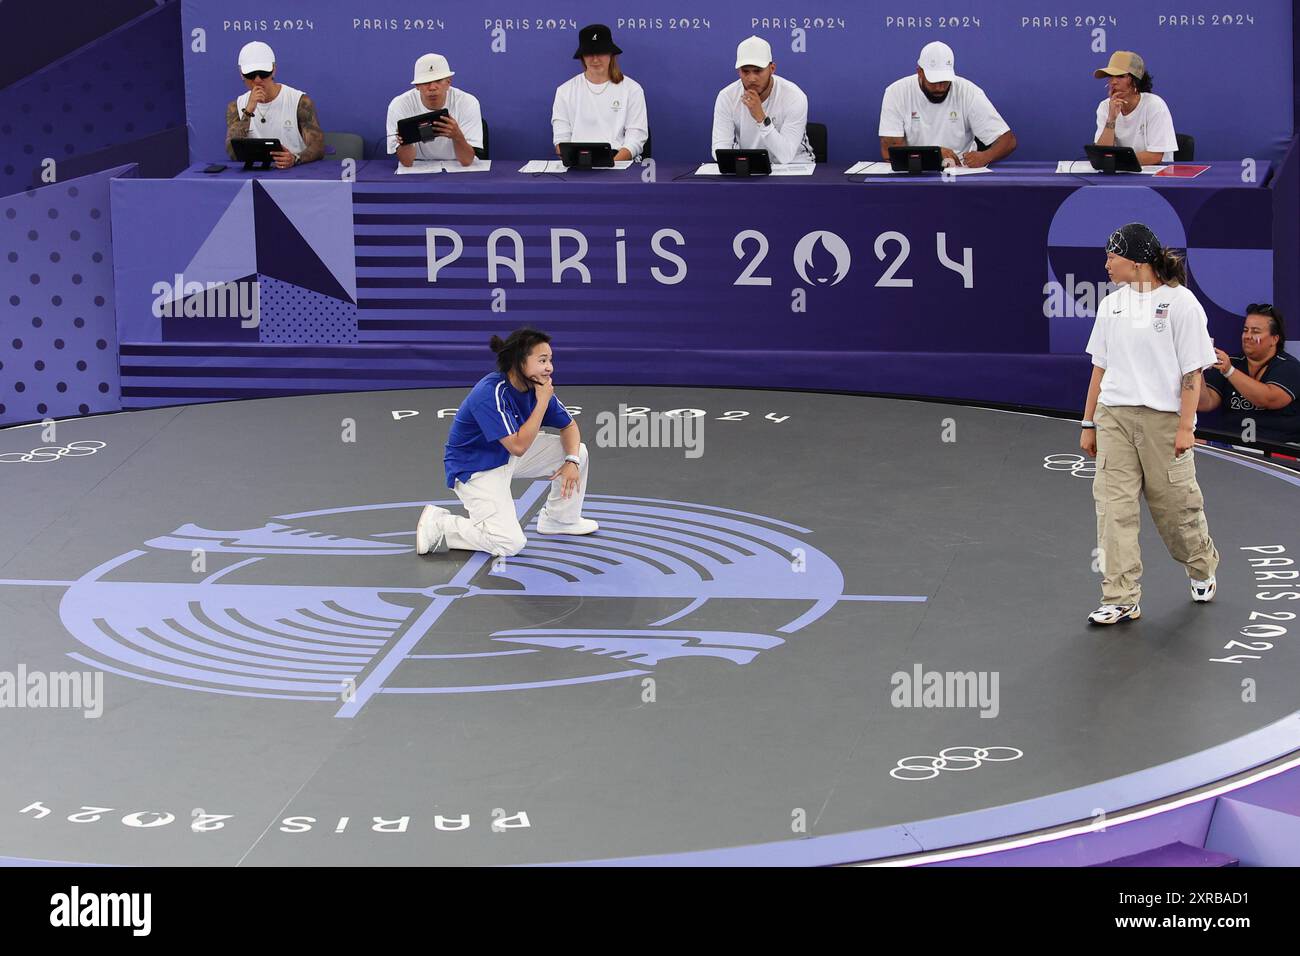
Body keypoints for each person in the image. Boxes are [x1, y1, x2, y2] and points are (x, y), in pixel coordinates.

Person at [1079, 222, 1219, 625]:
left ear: (1138, 262)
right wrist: (1089, 422)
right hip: (1114, 418)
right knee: (1113, 509)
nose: (1106, 264)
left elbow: (1193, 374)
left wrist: (1186, 427)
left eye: (1112, 256)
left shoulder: (1182, 303)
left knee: (1175, 511)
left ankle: (1201, 564)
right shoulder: (1111, 305)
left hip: (1164, 421)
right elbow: (1099, 369)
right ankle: (1120, 596)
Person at [417, 328, 597, 558]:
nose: (549, 367)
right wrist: (542, 403)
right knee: (509, 544)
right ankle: (443, 525)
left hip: (508, 456)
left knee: (576, 452)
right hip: (476, 467)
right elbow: (518, 446)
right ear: (518, 362)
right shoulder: (491, 392)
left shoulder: (537, 388)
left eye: (550, 360)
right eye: (542, 360)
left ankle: (559, 520)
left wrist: (571, 461)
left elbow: (569, 426)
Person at [878, 40, 1016, 168]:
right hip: (914, 170)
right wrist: (936, 155)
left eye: (945, 81)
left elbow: (1008, 141)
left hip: (960, 171)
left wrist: (986, 156)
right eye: (934, 81)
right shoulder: (896, 92)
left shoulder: (969, 92)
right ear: (920, 72)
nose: (940, 87)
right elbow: (890, 152)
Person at [1200, 304, 1300, 445]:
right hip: (1232, 448)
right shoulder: (1231, 362)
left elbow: (1269, 399)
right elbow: (1205, 403)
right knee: (1193, 444)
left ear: (1274, 339)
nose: (1247, 336)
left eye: (1255, 331)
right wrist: (1196, 368)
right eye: (1245, 330)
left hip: (1278, 452)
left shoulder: (1289, 366)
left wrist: (1230, 371)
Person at [711, 36, 814, 165]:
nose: (751, 78)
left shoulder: (794, 96)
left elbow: (786, 156)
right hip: (750, 167)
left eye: (758, 71)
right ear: (739, 72)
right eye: (745, 71)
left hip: (795, 166)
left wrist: (761, 118)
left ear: (772, 69)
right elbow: (719, 150)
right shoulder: (726, 96)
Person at [552, 23, 648, 162]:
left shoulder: (632, 90)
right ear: (582, 57)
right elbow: (561, 139)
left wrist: (610, 164)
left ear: (611, 54)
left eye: (601, 52)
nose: (595, 59)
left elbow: (635, 139)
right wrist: (578, 163)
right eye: (589, 53)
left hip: (619, 164)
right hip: (578, 163)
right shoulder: (564, 91)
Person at [224, 40, 324, 168]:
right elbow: (233, 153)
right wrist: (248, 111)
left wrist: (295, 158)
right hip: (255, 173)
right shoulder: (236, 106)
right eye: (251, 75)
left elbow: (318, 147)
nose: (258, 80)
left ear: (274, 71)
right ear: (242, 75)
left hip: (294, 172)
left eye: (264, 74)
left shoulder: (299, 101)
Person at [386, 53, 483, 168]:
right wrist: (405, 140)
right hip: (418, 167)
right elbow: (407, 163)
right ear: (417, 85)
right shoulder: (400, 105)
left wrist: (457, 136)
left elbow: (466, 161)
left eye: (438, 80)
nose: (432, 87)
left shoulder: (468, 102)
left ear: (448, 82)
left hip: (458, 167)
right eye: (426, 82)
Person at [1092, 51, 1177, 164]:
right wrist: (1111, 118)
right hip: (1121, 173)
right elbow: (1102, 155)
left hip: (1155, 175)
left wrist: (1115, 162)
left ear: (1136, 81)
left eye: (1120, 76)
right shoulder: (1105, 106)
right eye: (1110, 76)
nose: (1113, 82)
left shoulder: (1154, 105)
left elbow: (1155, 157)